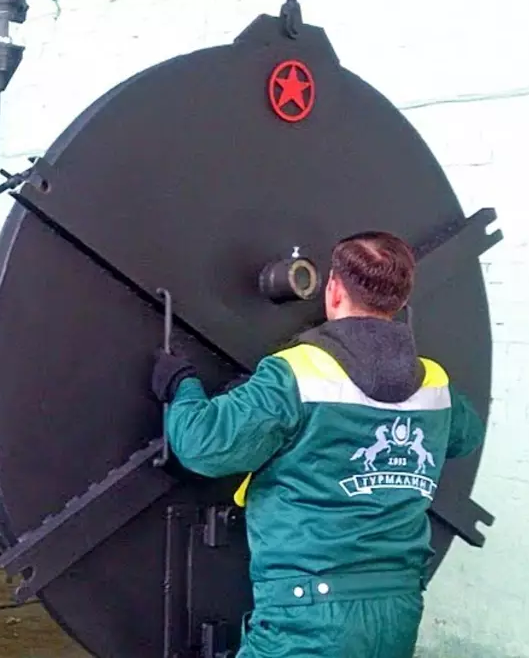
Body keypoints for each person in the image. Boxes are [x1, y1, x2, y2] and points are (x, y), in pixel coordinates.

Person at [149, 231, 486, 658]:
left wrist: (181, 385)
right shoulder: (434, 384)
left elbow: (202, 446)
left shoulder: (296, 374)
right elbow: (465, 437)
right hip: (398, 608)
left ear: (333, 289)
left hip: (308, 615)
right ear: (401, 302)